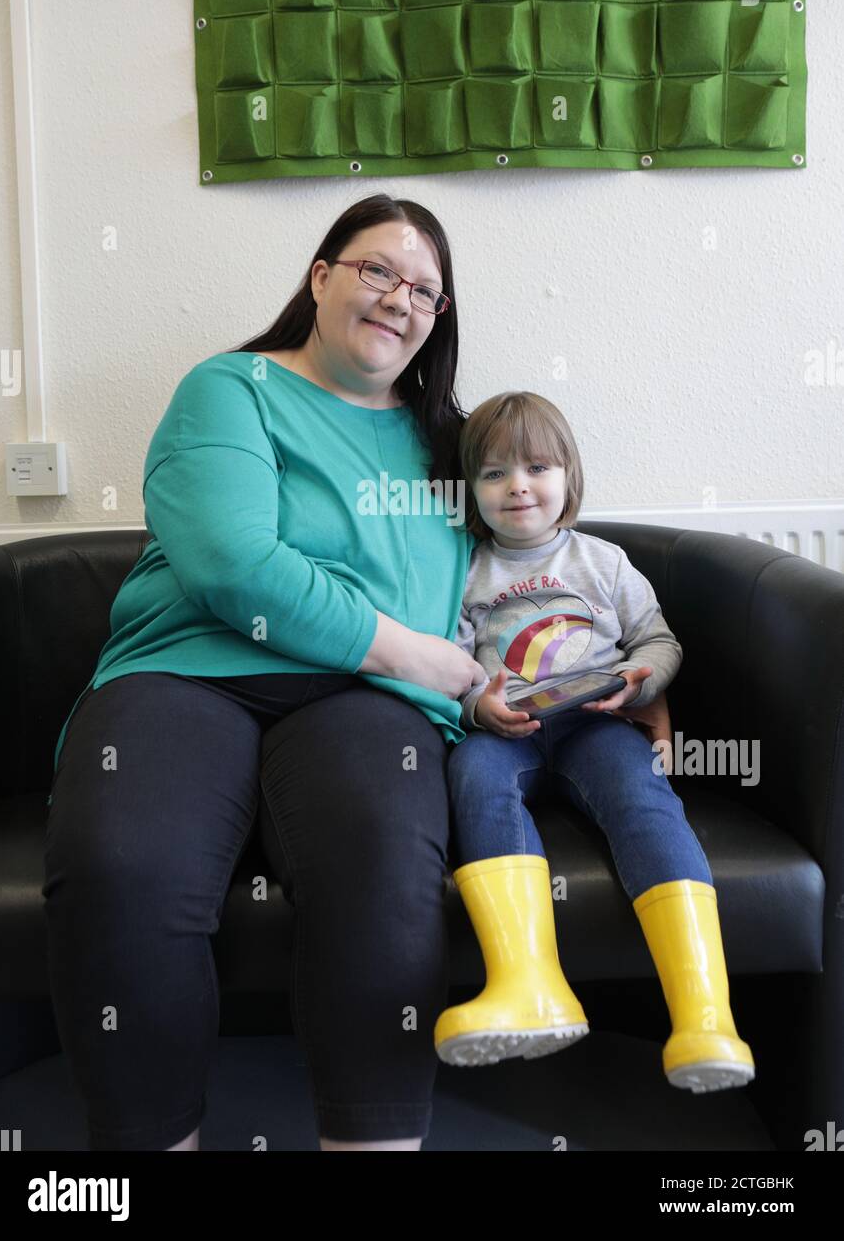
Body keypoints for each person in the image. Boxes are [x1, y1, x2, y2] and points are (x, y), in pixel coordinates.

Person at [44, 192, 497, 1151]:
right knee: (120, 866)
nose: (399, 297)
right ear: (321, 276)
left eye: (425, 288)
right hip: (189, 670)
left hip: (364, 703)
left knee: (383, 858)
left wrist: (600, 664)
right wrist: (419, 654)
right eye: (377, 269)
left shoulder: (452, 440)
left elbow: (542, 557)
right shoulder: (230, 387)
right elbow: (232, 567)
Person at [435, 391, 756, 1095]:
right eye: (493, 474)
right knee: (473, 780)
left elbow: (658, 642)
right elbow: (450, 666)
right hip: (506, 731)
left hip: (597, 723)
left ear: (568, 478)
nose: (517, 485)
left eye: (537, 467)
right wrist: (476, 708)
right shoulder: (460, 570)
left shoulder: (603, 562)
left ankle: (704, 1014)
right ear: (471, 493)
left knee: (644, 800)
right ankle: (527, 985)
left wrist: (640, 682)